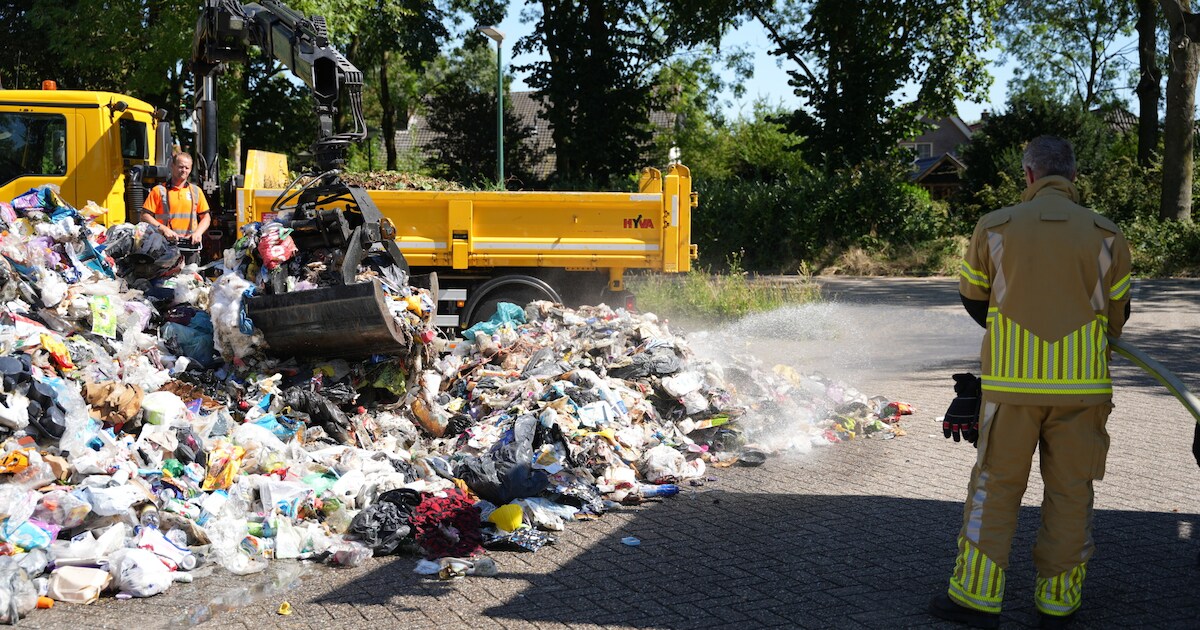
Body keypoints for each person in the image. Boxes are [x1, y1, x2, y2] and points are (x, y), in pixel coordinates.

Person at [929, 136, 1132, 629]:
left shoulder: (994, 227)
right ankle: (1057, 605)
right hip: (1082, 393)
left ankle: (976, 598)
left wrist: (1010, 333)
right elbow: (1118, 315)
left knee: (995, 488)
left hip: (1010, 391)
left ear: (1028, 176)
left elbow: (974, 300)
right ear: (1074, 179)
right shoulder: (1108, 234)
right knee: (1070, 492)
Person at [141, 152, 210, 263]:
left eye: (187, 168)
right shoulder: (159, 191)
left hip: (190, 247)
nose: (184, 170)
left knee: (190, 279)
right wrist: (163, 229)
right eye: (180, 166)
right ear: (172, 166)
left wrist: (198, 233)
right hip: (164, 246)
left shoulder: (196, 191)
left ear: (191, 169)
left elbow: (206, 217)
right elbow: (144, 215)